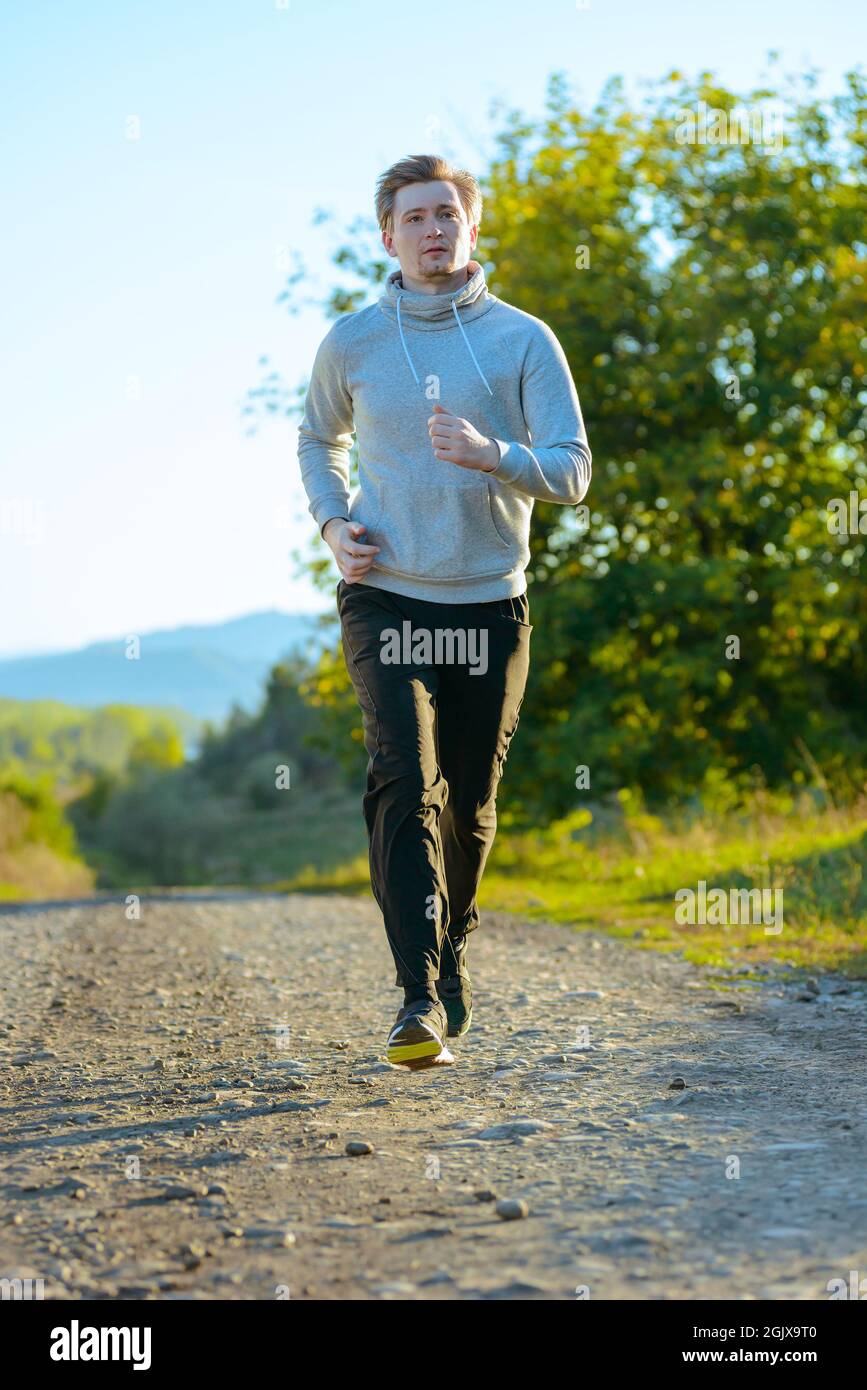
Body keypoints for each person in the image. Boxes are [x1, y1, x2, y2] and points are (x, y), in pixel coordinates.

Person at [297, 154, 591, 1069]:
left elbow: (571, 472)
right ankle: (416, 996)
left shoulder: (521, 340)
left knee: (467, 803)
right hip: (384, 594)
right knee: (400, 776)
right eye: (413, 217)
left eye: (446, 216)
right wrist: (333, 521)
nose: (432, 230)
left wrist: (493, 452)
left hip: (488, 602)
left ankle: (449, 957)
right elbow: (316, 437)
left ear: (470, 228)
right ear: (386, 235)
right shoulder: (352, 340)